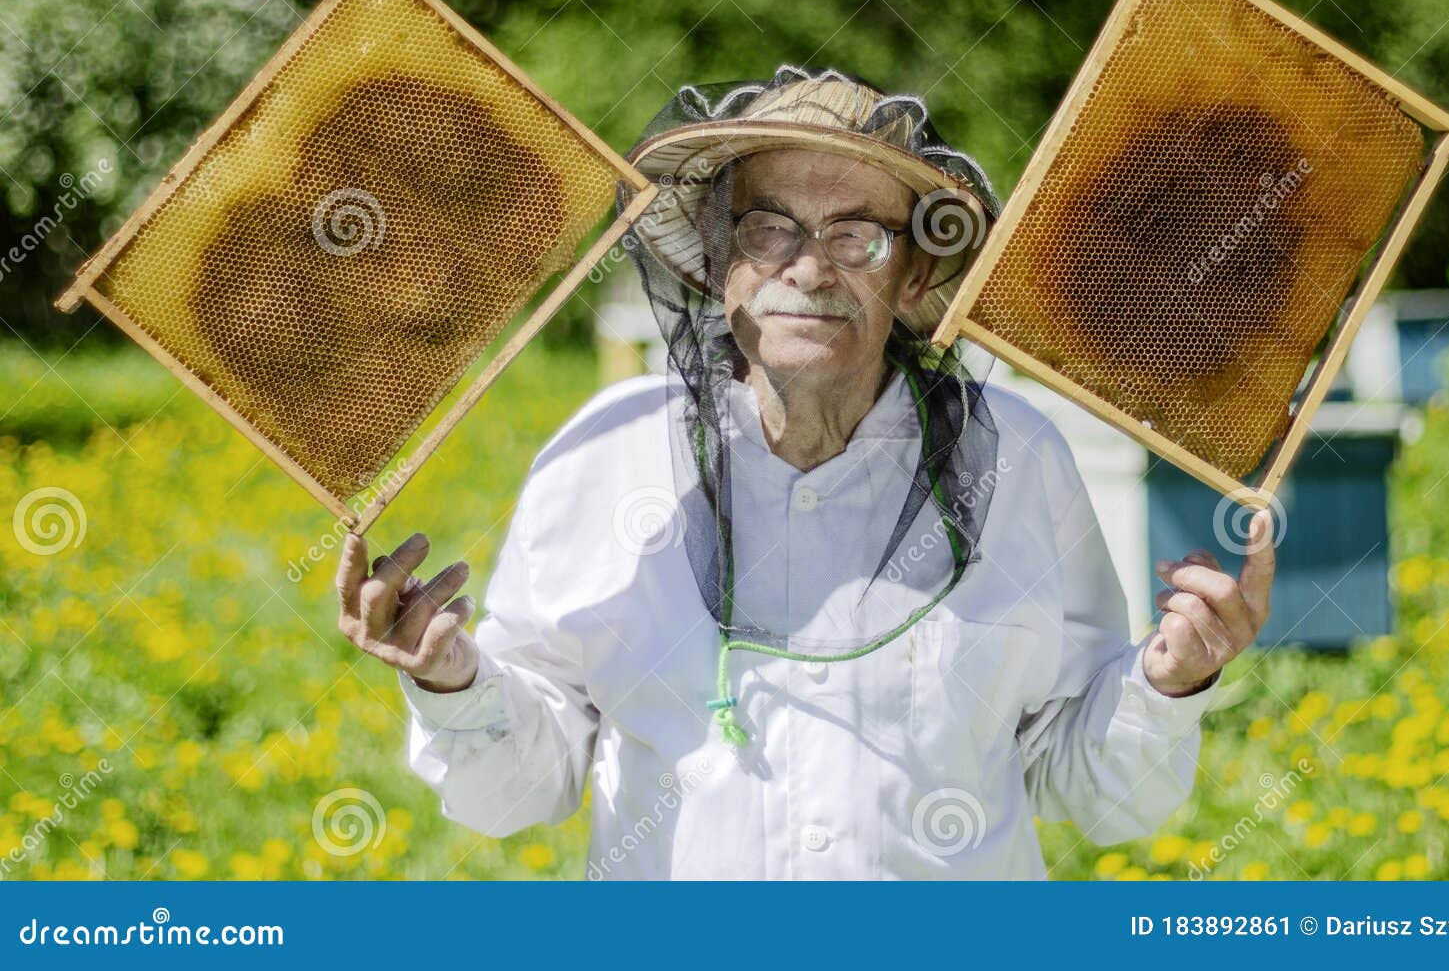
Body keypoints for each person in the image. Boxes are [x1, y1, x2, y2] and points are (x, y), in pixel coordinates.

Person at [334, 67, 1275, 879]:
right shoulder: (605, 455)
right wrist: (453, 680)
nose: (810, 270)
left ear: (912, 276)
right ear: (718, 256)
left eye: (858, 235)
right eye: (770, 230)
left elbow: (1088, 785)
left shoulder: (1018, 459)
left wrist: (1165, 683)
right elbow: (522, 790)